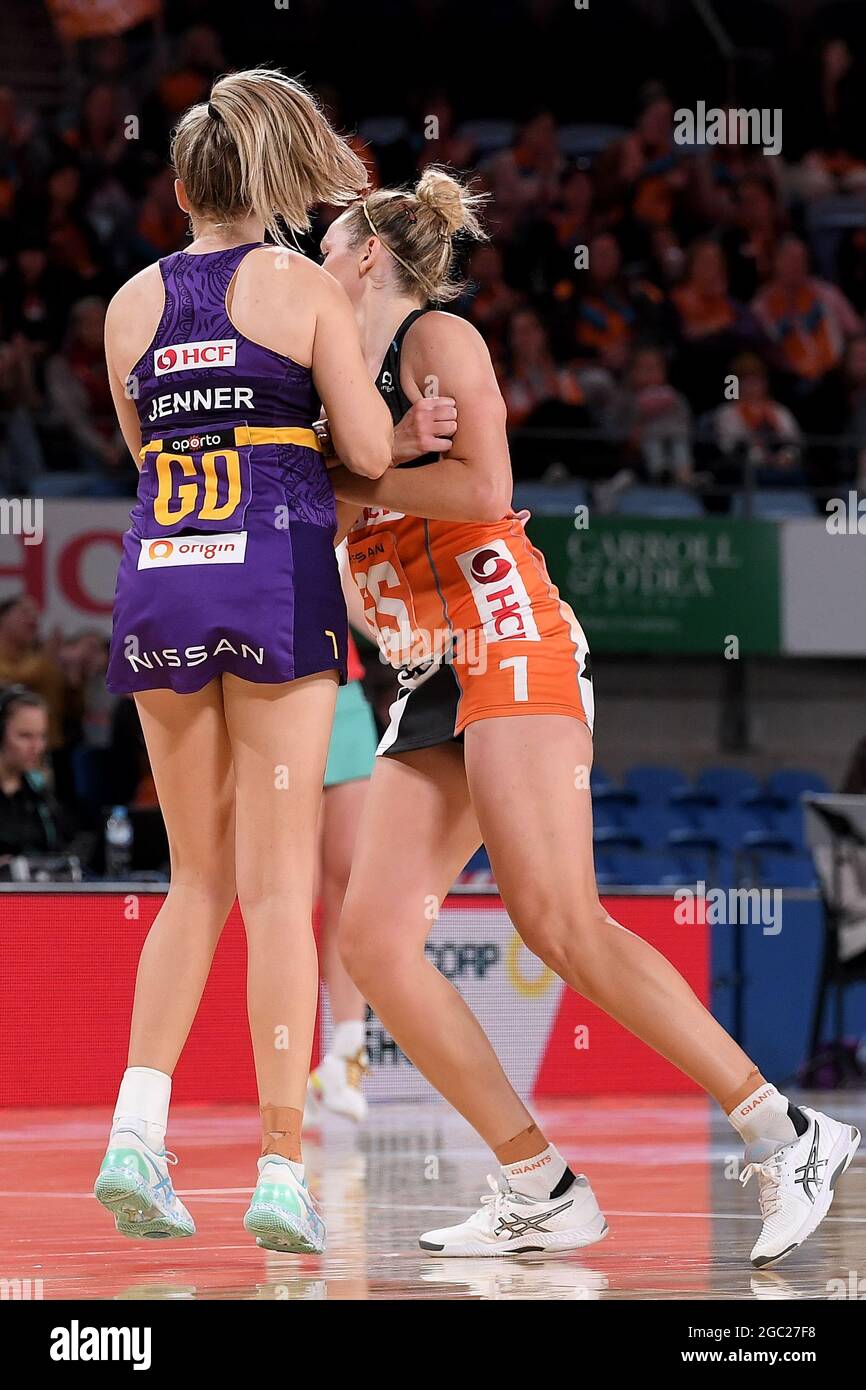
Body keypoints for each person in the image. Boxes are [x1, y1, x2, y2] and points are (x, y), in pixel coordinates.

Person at [319, 166, 860, 1265]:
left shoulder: (435, 341)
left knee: (555, 917)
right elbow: (318, 498)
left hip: (505, 631)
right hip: (424, 668)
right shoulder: (345, 392)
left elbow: (479, 493)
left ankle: (781, 1127)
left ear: (367, 255)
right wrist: (364, 456)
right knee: (374, 943)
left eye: (327, 246)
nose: (313, 262)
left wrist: (367, 467)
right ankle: (537, 1182)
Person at [93, 68, 394, 1255]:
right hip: (272, 582)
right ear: (271, 186)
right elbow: (365, 453)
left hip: (163, 579)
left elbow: (143, 447)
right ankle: (278, 1166)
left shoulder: (125, 304)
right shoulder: (303, 285)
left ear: (177, 191)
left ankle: (134, 1134)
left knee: (193, 884)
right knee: (279, 892)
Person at [307, 552, 379, 1122]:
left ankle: (345, 1055)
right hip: (281, 697)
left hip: (346, 699)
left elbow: (363, 606)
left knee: (349, 888)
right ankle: (289, 1068)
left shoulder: (329, 519)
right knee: (292, 894)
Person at [0, 686, 69, 873]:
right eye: (25, 736)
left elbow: (60, 850)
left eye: (42, 736)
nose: (37, 747)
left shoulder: (38, 791)